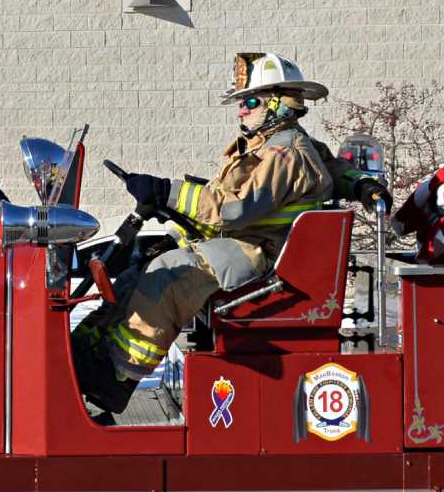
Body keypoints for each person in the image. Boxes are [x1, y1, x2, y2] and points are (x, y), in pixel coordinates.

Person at [74, 52, 335, 416]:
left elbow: (234, 209)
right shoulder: (264, 146)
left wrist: (166, 190)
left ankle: (117, 378)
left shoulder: (284, 153)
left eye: (251, 101)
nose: (242, 110)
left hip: (258, 253)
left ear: (279, 103)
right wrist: (170, 210)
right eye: (242, 103)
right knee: (139, 271)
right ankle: (80, 359)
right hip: (241, 243)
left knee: (167, 281)